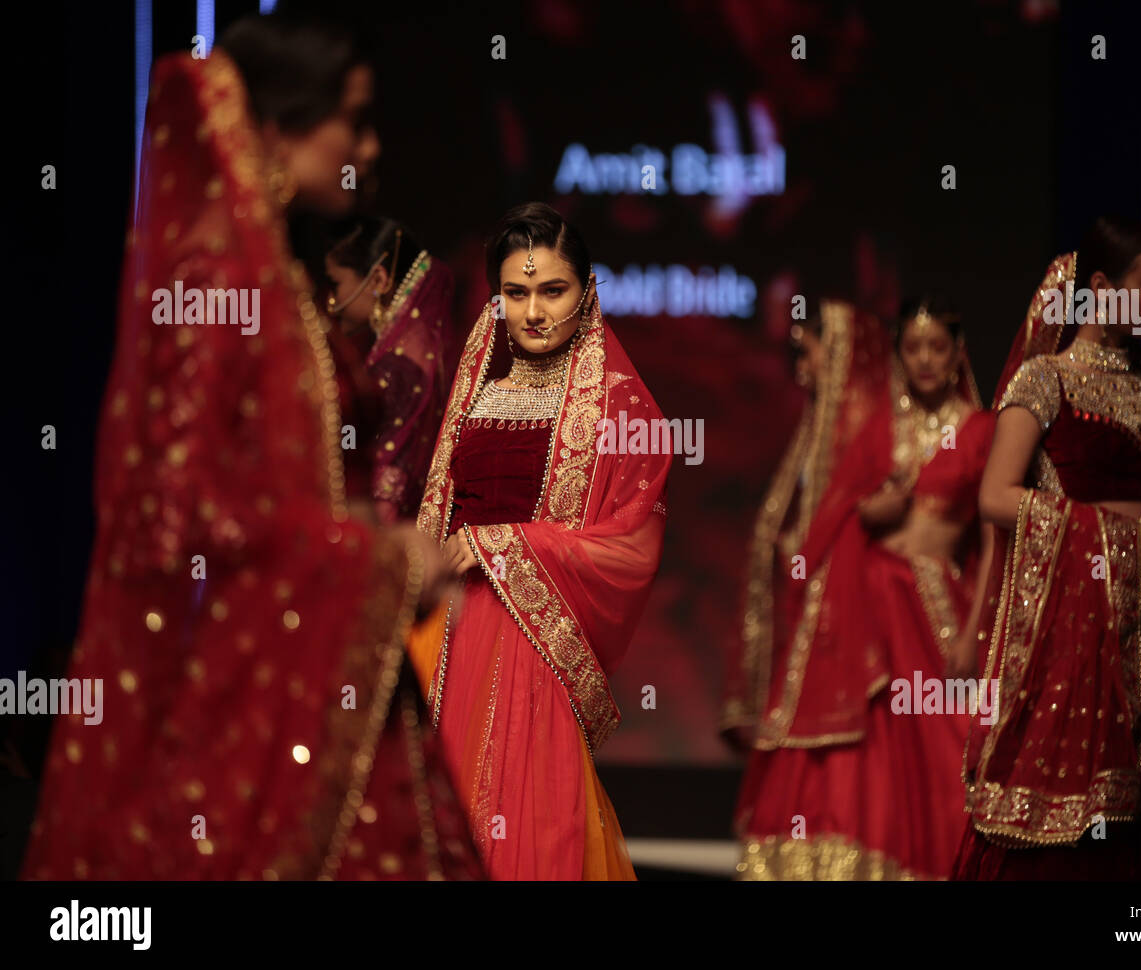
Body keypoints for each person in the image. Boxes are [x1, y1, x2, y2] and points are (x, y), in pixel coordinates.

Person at [22, 15, 480, 880]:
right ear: (275, 127)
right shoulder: (211, 286)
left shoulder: (287, 280)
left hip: (326, 675)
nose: (372, 147)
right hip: (251, 702)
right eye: (354, 119)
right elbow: (175, 517)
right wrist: (383, 563)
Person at [955, 218, 1141, 879]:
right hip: (1085, 638)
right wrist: (1122, 539)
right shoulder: (1045, 380)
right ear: (1105, 287)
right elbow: (995, 497)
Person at [411, 202, 670, 879]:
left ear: (586, 292)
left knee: (530, 824)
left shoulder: (617, 404)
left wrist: (502, 546)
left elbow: (630, 544)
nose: (532, 311)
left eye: (552, 290)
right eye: (515, 293)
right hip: (445, 637)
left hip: (533, 644)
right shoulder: (479, 387)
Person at [724, 297, 994, 879]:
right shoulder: (879, 428)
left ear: (957, 354)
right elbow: (839, 504)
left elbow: (995, 539)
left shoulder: (982, 430)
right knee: (869, 748)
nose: (924, 360)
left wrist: (975, 630)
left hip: (938, 606)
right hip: (872, 600)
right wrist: (871, 509)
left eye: (937, 347)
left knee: (945, 746)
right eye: (912, 347)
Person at [324, 217, 455, 523]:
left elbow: (387, 480)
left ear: (379, 281)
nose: (331, 301)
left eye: (336, 284)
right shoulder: (420, 346)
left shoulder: (396, 367)